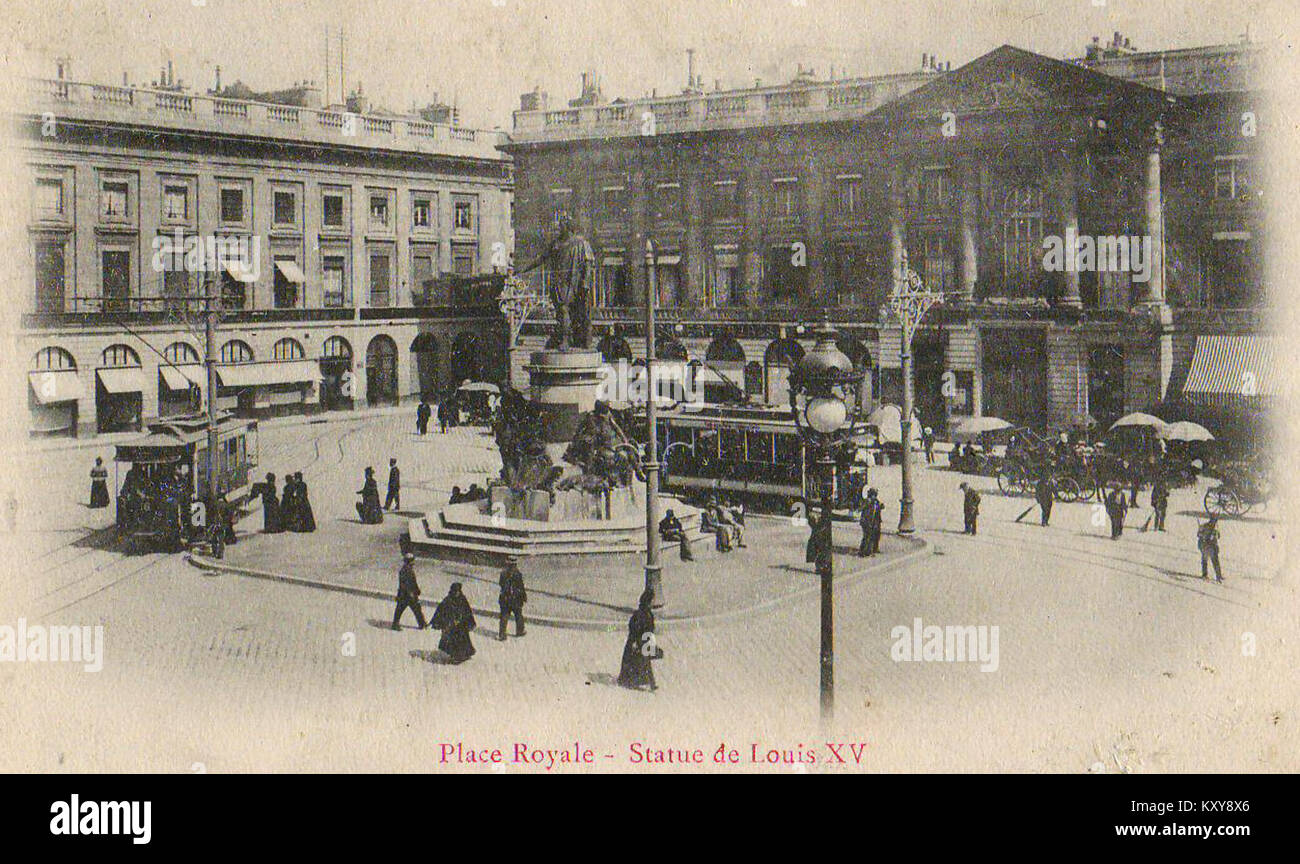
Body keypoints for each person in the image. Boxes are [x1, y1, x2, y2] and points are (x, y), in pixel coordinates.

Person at [617, 589, 661, 691]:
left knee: (643, 662)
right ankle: (649, 683)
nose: (654, 602)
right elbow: (635, 628)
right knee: (643, 662)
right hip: (639, 642)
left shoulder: (644, 613)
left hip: (640, 642)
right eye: (652, 600)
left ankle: (649, 683)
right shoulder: (643, 614)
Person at [431, 583, 476, 662]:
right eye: (455, 591)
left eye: (458, 591)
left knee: (463, 640)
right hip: (451, 625)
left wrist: (470, 622)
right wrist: (438, 622)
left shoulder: (463, 599)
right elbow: (440, 611)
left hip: (461, 625)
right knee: (453, 642)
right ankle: (456, 656)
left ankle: (465, 654)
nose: (456, 593)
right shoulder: (448, 600)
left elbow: (468, 611)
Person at [391, 553, 427, 630]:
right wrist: (411, 593)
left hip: (409, 593)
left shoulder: (408, 569)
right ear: (409, 561)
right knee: (402, 609)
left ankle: (422, 623)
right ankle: (395, 624)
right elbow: (404, 584)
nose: (414, 562)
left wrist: (417, 590)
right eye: (412, 560)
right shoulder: (405, 570)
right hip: (406, 594)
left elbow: (413, 582)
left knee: (415, 609)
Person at [497, 562, 527, 641]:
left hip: (505, 598)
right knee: (518, 615)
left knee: (504, 616)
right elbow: (521, 586)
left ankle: (502, 635)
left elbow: (500, 583)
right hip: (516, 599)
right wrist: (524, 597)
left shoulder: (503, 573)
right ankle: (520, 631)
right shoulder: (518, 574)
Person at [858, 487, 883, 557]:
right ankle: (863, 551)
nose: (874, 497)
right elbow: (861, 508)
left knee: (875, 535)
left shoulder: (876, 502)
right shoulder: (867, 501)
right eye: (873, 495)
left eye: (875, 495)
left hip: (875, 522)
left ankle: (872, 549)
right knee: (867, 536)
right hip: (867, 521)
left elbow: (880, 507)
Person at [1197, 516, 1223, 583]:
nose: (1214, 523)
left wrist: (1215, 535)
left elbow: (1218, 536)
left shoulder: (1215, 528)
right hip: (1206, 546)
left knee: (1215, 561)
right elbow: (1199, 535)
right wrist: (1203, 536)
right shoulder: (1204, 526)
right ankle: (1205, 574)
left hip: (1212, 546)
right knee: (1206, 560)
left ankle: (1218, 575)